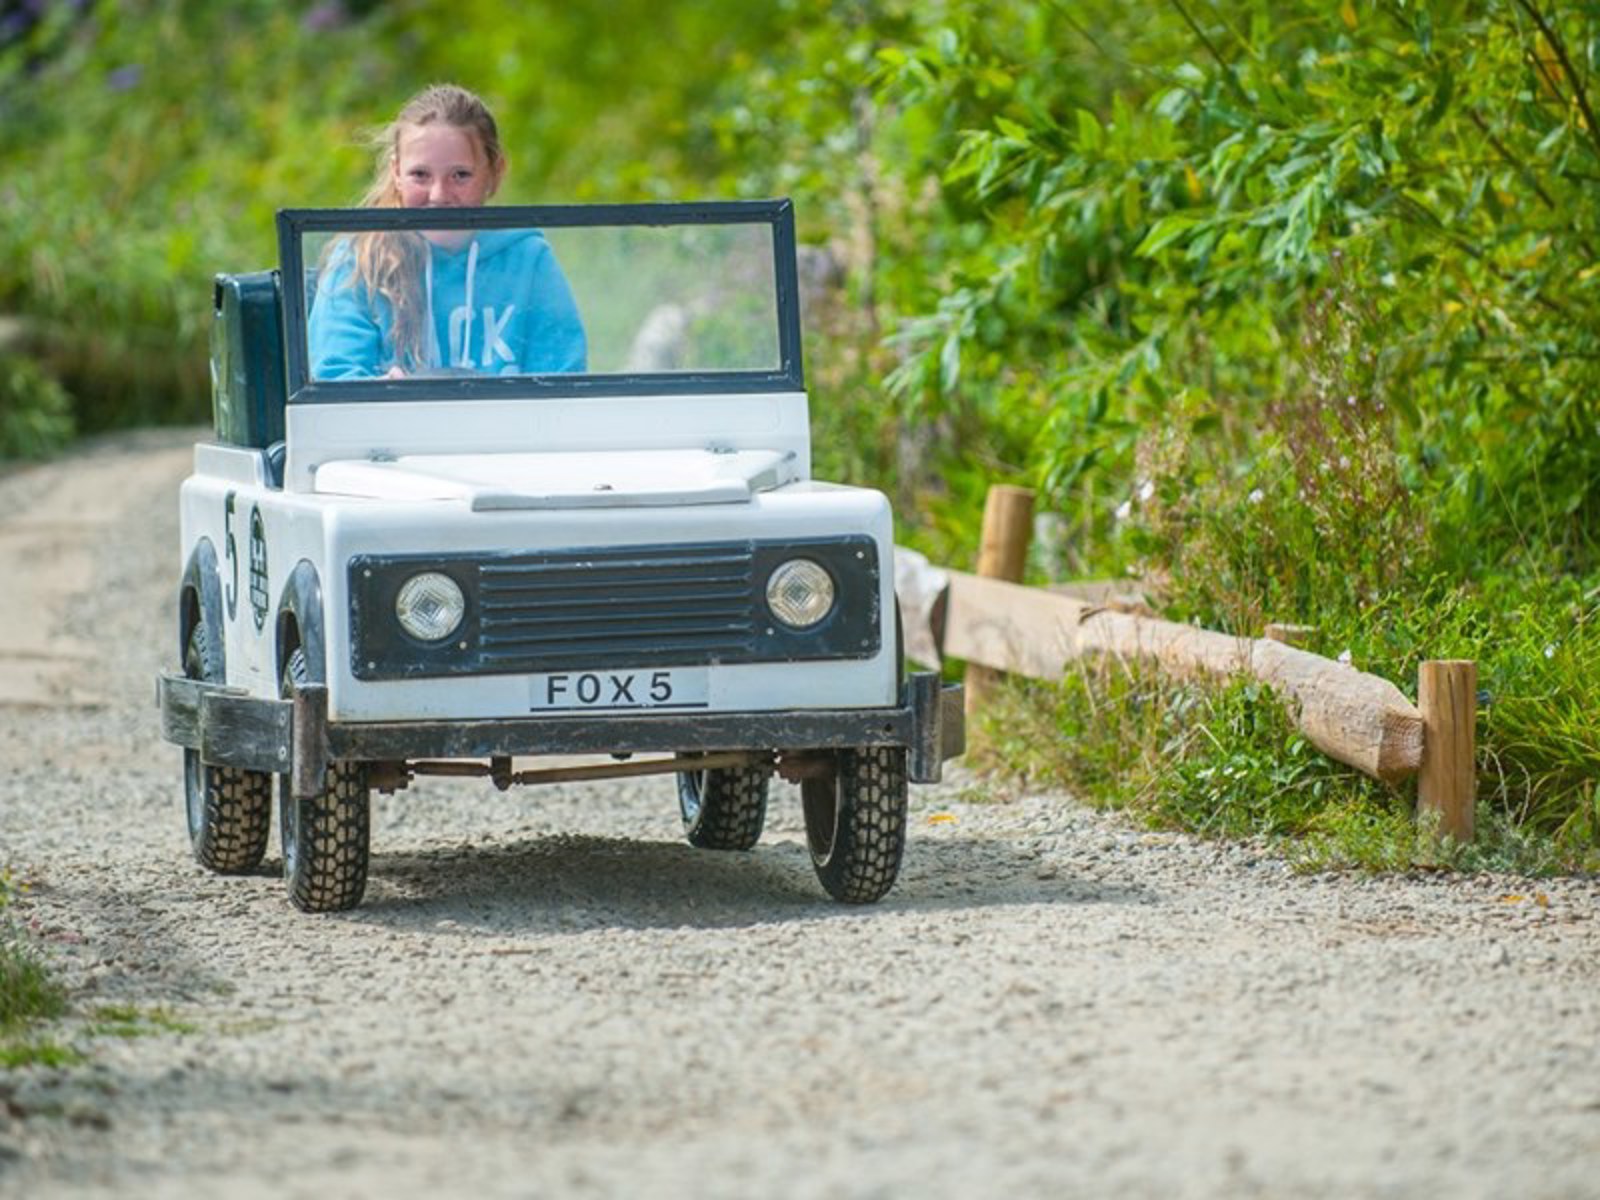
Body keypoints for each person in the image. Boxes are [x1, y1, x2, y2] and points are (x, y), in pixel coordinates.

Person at [308, 84, 586, 380]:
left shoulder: (528, 259)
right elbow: (333, 377)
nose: (439, 195)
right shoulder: (359, 262)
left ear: (494, 172)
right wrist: (380, 393)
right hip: (394, 426)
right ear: (397, 174)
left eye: (460, 175)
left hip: (506, 426)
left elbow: (563, 376)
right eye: (420, 175)